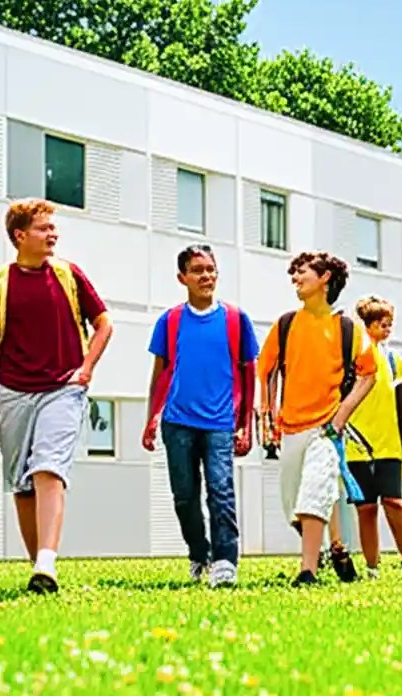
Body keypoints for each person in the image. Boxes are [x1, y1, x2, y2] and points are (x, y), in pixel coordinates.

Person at [0, 199, 114, 594]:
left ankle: (47, 562)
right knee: (22, 484)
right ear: (19, 236)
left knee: (48, 469)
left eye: (53, 227)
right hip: (12, 393)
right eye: (43, 228)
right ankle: (39, 567)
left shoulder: (69, 275)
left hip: (62, 390)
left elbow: (103, 325)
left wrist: (86, 369)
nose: (53, 234)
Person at [257, 251, 376, 587]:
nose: (295, 278)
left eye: (302, 272)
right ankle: (335, 545)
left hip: (325, 429)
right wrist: (268, 413)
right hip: (290, 428)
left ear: (325, 278)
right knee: (295, 505)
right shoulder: (286, 324)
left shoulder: (347, 329)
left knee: (314, 494)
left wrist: (341, 416)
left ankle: (307, 570)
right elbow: (265, 371)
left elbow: (369, 374)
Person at [143, 244, 258, 588]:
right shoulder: (171, 320)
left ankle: (226, 561)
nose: (206, 276)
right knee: (184, 496)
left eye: (211, 269)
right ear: (183, 277)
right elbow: (161, 373)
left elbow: (249, 375)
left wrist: (247, 426)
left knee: (221, 490)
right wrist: (151, 417)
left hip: (221, 422)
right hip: (177, 421)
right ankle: (199, 553)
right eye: (197, 270)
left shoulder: (236, 319)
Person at [344, 296, 402, 579]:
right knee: (366, 508)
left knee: (394, 502)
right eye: (381, 324)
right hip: (356, 443)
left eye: (390, 324)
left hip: (389, 444)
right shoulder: (353, 354)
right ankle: (372, 567)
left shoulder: (392, 359)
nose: (387, 329)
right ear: (367, 324)